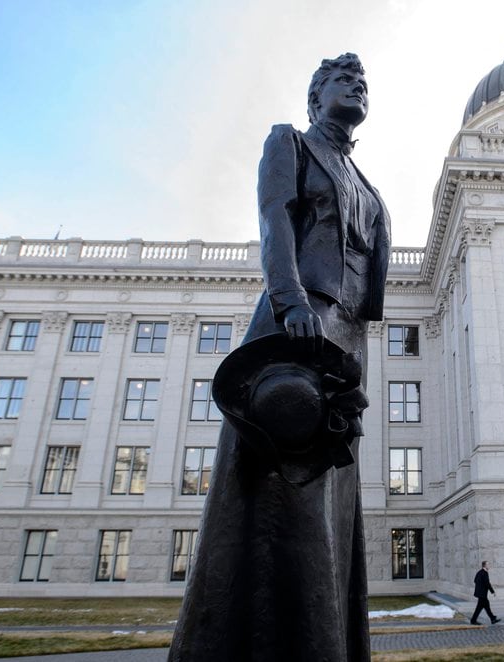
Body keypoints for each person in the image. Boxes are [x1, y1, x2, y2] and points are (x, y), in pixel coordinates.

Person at [169, 53, 390, 662]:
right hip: (298, 319)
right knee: (280, 488)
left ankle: (325, 639)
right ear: (317, 97)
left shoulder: (365, 182)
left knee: (330, 489)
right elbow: (275, 219)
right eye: (344, 81)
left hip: (346, 332)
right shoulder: (288, 141)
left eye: (364, 83)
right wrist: (289, 299)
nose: (357, 88)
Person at [470, 560, 501, 625]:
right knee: (480, 608)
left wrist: (480, 586)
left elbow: (475, 580)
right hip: (482, 594)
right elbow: (487, 584)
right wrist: (492, 591)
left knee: (485, 606)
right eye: (488, 564)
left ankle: (492, 618)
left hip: (480, 593)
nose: (489, 566)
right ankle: (473, 620)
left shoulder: (479, 572)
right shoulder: (485, 573)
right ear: (485, 565)